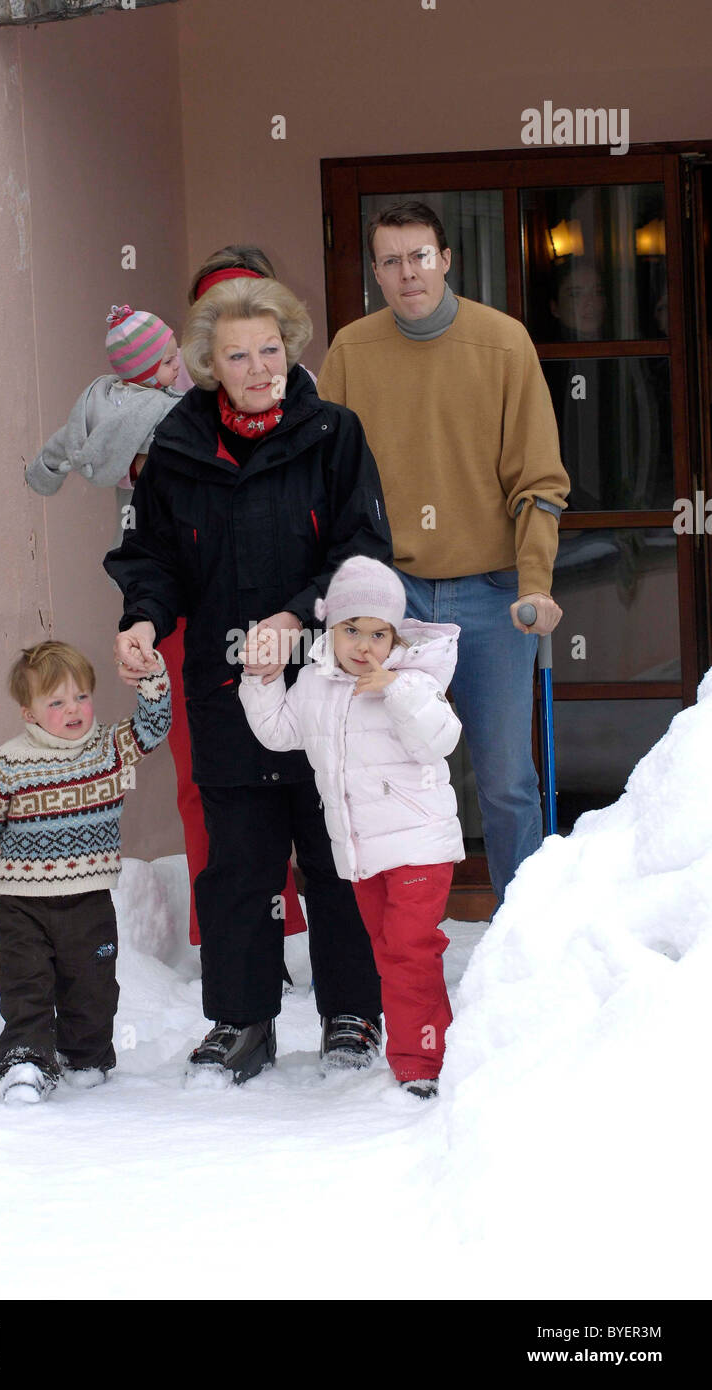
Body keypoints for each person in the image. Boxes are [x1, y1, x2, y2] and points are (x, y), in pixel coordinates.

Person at [104, 275, 393, 1084]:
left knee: (333, 850)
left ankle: (350, 1013)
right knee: (236, 861)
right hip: (224, 689)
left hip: (324, 685)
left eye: (270, 348)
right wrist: (141, 623)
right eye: (239, 355)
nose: (260, 367)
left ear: (290, 347)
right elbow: (152, 560)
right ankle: (241, 1020)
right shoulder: (178, 447)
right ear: (208, 365)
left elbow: (363, 550)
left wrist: (298, 616)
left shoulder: (332, 433)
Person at [318, 200, 571, 910]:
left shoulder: (502, 342)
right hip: (391, 600)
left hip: (493, 596)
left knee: (504, 780)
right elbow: (326, 481)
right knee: (388, 775)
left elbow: (539, 481)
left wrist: (534, 579)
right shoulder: (350, 350)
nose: (408, 274)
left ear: (446, 259)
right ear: (374, 272)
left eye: (419, 256)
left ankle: (521, 934)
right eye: (391, 261)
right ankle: (397, 940)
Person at [240, 557, 463, 1098]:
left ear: (395, 636)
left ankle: (422, 1066)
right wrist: (258, 677)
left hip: (418, 846)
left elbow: (440, 740)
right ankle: (430, 1049)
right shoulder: (317, 684)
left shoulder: (414, 679)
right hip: (361, 854)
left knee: (411, 950)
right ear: (330, 630)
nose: (364, 645)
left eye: (378, 633)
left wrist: (398, 689)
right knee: (388, 953)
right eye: (351, 630)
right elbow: (278, 732)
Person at [157, 245, 309, 951]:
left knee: (303, 784)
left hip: (296, 626)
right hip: (195, 623)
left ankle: (324, 949)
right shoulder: (174, 426)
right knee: (210, 787)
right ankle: (232, 937)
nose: (249, 361)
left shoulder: (317, 418)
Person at [0, 640, 171, 1103]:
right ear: (29, 713)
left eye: (81, 696)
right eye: (56, 702)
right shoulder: (10, 760)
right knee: (25, 984)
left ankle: (85, 1057)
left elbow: (154, 727)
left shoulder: (109, 748)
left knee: (92, 986)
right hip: (20, 904)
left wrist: (152, 677)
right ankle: (25, 1062)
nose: (73, 709)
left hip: (88, 900)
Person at [26, 306, 183, 496]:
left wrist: (41, 476)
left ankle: (38, 479)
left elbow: (66, 438)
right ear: (142, 372)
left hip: (101, 467)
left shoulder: (102, 395)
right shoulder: (158, 405)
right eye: (168, 361)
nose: (177, 365)